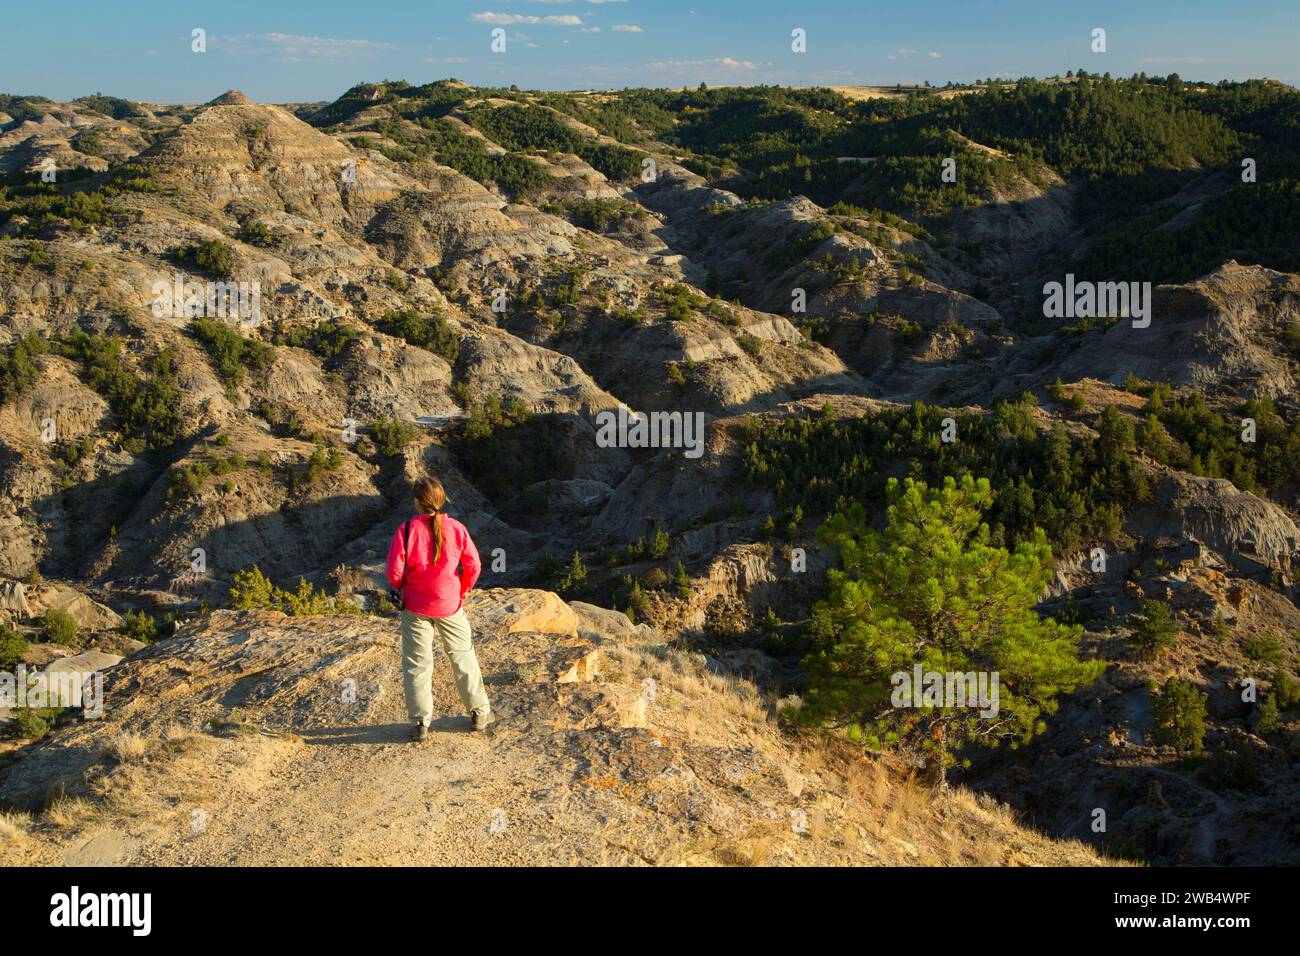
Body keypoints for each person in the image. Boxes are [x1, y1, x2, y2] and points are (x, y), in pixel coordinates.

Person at [385, 476, 490, 741]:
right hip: (450, 604)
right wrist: (463, 589)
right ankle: (478, 713)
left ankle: (421, 723)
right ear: (440, 500)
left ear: (418, 502)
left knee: (418, 663)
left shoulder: (406, 529)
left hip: (416, 605)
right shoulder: (455, 528)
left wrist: (402, 586)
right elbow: (474, 565)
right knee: (462, 656)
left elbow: (393, 571)